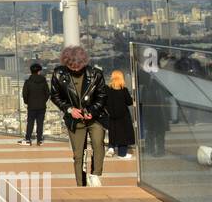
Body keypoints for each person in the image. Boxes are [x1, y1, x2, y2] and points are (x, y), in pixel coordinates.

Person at [49, 45, 108, 187]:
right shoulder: (59, 74)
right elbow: (55, 96)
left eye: (78, 66)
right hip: (74, 119)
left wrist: (92, 110)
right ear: (66, 62)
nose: (75, 68)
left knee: (98, 144)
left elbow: (102, 96)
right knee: (78, 154)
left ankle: (95, 175)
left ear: (84, 62)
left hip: (95, 117)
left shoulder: (96, 74)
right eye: (71, 66)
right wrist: (69, 109)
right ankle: (81, 184)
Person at [104, 70, 136, 158]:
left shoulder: (108, 90)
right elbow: (129, 102)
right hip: (123, 117)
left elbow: (105, 102)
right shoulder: (124, 90)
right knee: (123, 135)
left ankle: (111, 147)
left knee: (113, 132)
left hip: (112, 117)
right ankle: (122, 154)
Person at [19, 63, 49, 146]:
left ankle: (28, 139)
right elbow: (47, 93)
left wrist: (27, 102)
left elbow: (24, 94)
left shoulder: (28, 82)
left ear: (31, 71)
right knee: (40, 123)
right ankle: (39, 140)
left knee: (30, 122)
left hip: (31, 106)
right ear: (39, 71)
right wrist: (43, 101)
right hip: (42, 106)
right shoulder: (43, 81)